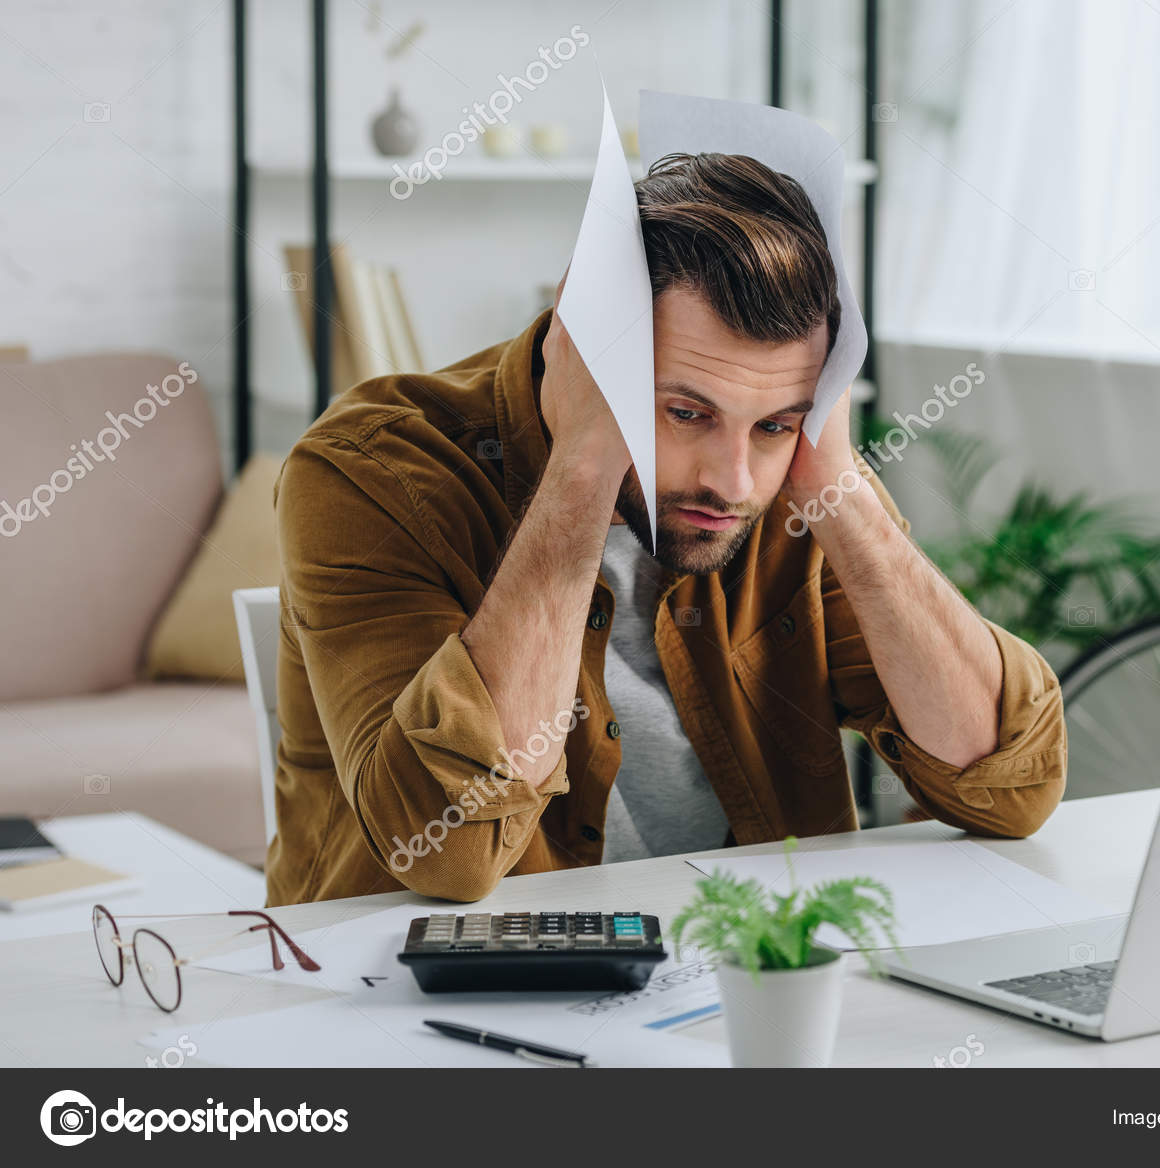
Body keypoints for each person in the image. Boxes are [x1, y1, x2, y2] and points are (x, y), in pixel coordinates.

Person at [266, 152, 1065, 905]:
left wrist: (840, 486)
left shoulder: (793, 485)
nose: (733, 481)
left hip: (738, 987)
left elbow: (1010, 789)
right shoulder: (372, 472)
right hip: (413, 1007)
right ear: (583, 350)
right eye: (687, 413)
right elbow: (447, 850)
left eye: (775, 424)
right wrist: (581, 472)